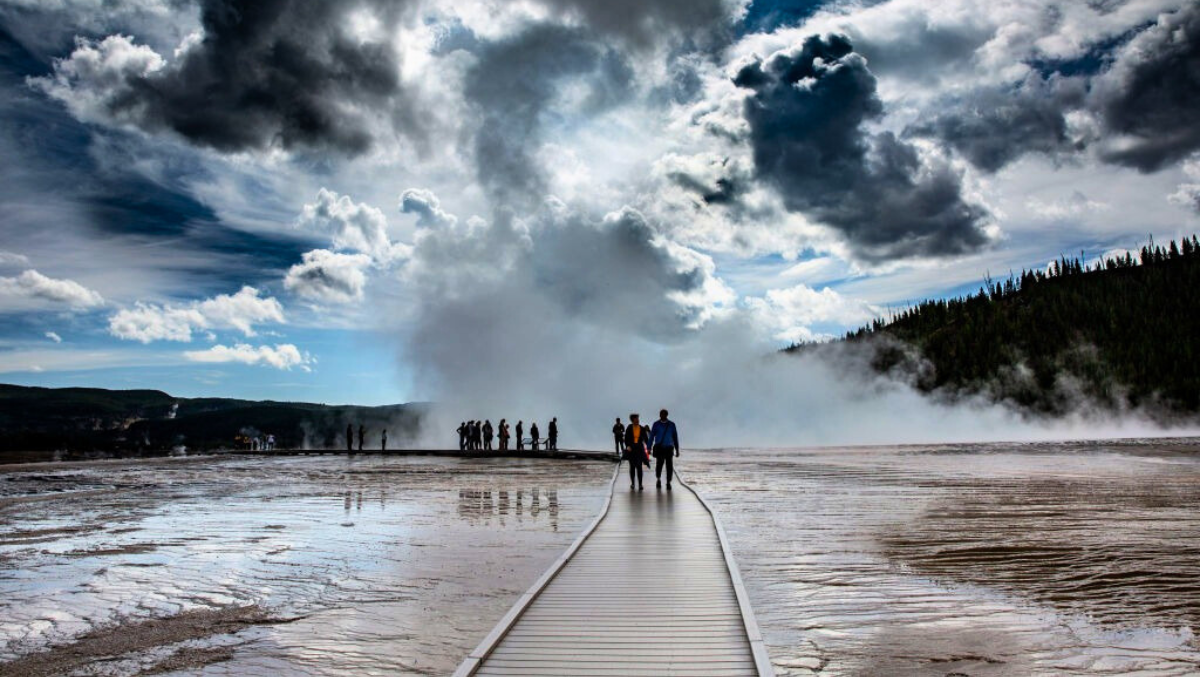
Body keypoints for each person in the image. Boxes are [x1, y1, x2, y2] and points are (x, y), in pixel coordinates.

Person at [650, 409, 681, 490]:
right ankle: (658, 479)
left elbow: (675, 437)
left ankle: (668, 482)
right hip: (660, 448)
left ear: (667, 415)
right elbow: (651, 436)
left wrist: (677, 449)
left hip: (669, 448)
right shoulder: (656, 424)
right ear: (659, 415)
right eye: (661, 414)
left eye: (664, 414)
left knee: (669, 466)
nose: (662, 416)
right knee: (659, 464)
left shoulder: (672, 425)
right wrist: (648, 447)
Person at [623, 413, 645, 490]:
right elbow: (626, 439)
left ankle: (640, 484)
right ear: (632, 420)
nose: (638, 420)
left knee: (639, 467)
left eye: (638, 419)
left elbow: (646, 439)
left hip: (639, 449)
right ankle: (632, 483)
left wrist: (648, 447)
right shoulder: (629, 428)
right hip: (631, 450)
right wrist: (627, 446)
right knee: (632, 467)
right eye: (636, 419)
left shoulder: (642, 428)